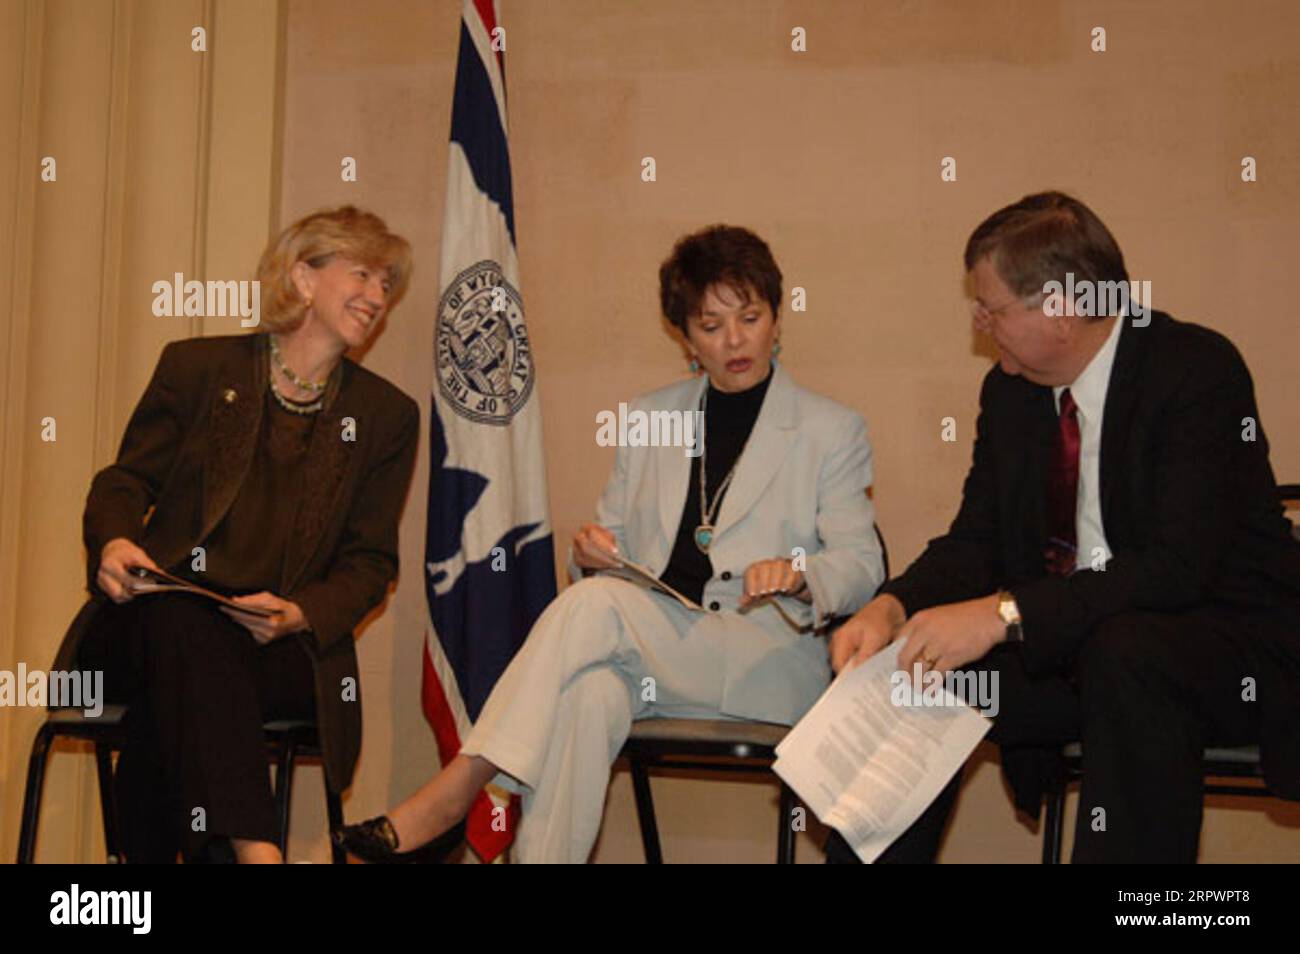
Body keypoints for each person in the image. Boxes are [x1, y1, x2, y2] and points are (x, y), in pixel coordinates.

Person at [336, 224, 885, 863]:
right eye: (710, 326)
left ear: (775, 318)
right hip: (657, 652)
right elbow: (607, 548)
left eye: (750, 318)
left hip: (766, 658)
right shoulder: (651, 417)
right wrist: (589, 552)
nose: (734, 340)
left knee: (595, 609)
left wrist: (797, 573)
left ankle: (458, 790)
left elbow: (862, 564)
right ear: (684, 337)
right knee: (585, 695)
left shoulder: (830, 429)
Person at [828, 191, 1300, 863]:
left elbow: (1175, 567)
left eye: (992, 308)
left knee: (1128, 648)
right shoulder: (1011, 391)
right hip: (1077, 648)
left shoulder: (1195, 371)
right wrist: (892, 604)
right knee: (912, 667)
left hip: (1225, 650)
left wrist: (1003, 613)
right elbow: (977, 539)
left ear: (1063, 307)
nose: (979, 323)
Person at [53, 206, 421, 863]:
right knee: (183, 628)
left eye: (387, 285)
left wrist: (301, 613)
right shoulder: (197, 369)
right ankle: (257, 852)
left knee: (176, 696)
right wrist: (113, 543)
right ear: (303, 279)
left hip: (281, 652)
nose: (377, 297)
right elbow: (123, 483)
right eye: (362, 274)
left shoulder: (385, 417)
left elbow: (370, 563)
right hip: (149, 626)